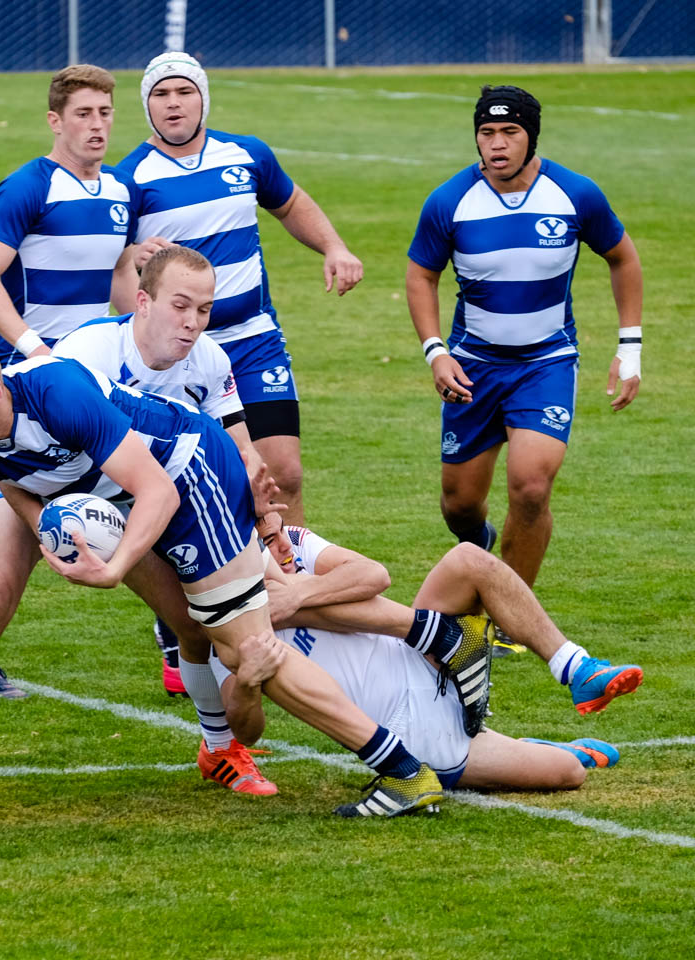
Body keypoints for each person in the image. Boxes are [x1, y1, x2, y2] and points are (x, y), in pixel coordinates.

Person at [0, 334, 450, 817]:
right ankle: (217, 748)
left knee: (245, 647)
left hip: (189, 472)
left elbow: (156, 489)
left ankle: (404, 769)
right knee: (186, 622)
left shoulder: (56, 393)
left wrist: (113, 571)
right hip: (110, 495)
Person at [0, 63, 146, 701]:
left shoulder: (118, 191)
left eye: (105, 114)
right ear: (55, 121)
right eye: (84, 115)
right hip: (23, 381)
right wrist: (33, 347)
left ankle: (182, 644)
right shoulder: (27, 188)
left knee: (140, 493)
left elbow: (113, 281)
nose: (97, 126)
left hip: (94, 378)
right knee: (4, 528)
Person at [50, 244, 275, 792]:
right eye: (181, 306)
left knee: (202, 628)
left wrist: (267, 521)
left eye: (204, 309)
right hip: (90, 502)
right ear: (143, 301)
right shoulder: (86, 352)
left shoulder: (212, 361)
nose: (194, 322)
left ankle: (220, 748)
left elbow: (242, 455)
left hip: (182, 508)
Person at [216, 517, 642, 801]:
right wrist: (249, 683)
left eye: (280, 529)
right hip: (409, 731)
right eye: (269, 541)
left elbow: (375, 576)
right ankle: (535, 748)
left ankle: (575, 667)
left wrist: (298, 592)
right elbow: (247, 731)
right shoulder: (226, 611)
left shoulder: (296, 543)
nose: (285, 546)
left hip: (425, 656)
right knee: (568, 773)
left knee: (469, 559)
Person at [407, 85, 644, 588]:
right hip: (472, 367)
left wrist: (630, 348)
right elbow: (420, 276)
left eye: (510, 132)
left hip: (546, 363)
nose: (497, 144)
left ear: (531, 136)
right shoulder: (449, 201)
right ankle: (480, 545)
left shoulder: (576, 194)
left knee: (531, 487)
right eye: (487, 132)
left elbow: (623, 257)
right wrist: (435, 353)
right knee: (459, 505)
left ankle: (509, 620)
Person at [113, 52, 362, 527]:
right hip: (180, 352)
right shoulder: (129, 179)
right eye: (161, 94)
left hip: (254, 342)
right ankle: (198, 598)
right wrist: (134, 259)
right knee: (199, 485)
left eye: (185, 91)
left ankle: (297, 588)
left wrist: (334, 247)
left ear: (203, 99)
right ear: (147, 106)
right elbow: (115, 268)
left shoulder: (246, 155)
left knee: (283, 474)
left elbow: (290, 205)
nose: (173, 104)